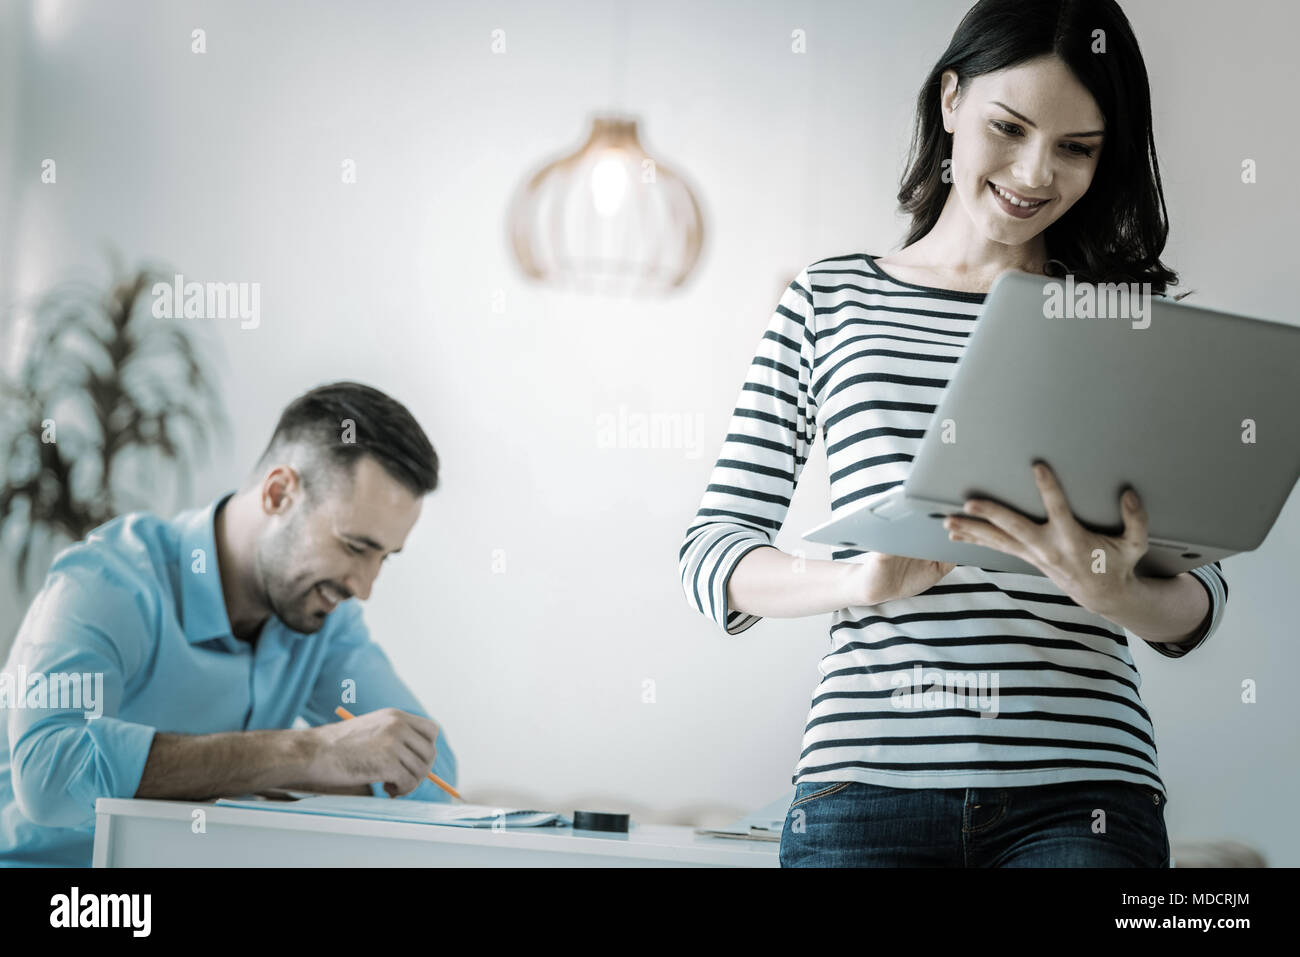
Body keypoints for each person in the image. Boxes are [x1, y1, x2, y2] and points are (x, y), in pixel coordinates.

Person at [679, 0, 1228, 867]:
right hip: (863, 785)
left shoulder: (1127, 321)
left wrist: (1113, 591)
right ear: (949, 101)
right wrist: (858, 580)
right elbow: (713, 553)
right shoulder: (831, 299)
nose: (1034, 172)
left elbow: (1200, 598)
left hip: (1080, 788)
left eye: (1077, 147)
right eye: (1008, 128)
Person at [0, 381, 457, 866]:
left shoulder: (321, 618)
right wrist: (311, 752)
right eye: (355, 546)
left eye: (384, 557)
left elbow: (430, 773)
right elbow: (50, 776)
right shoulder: (106, 582)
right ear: (279, 493)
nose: (363, 587)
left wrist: (293, 762)